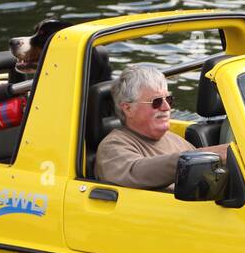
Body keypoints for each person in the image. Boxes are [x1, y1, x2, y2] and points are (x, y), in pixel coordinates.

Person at [95, 63, 228, 191]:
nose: (167, 107)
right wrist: (213, 155)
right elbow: (137, 172)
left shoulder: (176, 140)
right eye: (156, 102)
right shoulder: (112, 147)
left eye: (168, 99)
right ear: (128, 109)